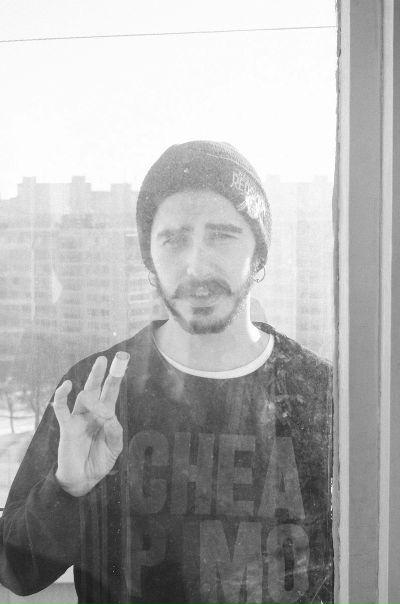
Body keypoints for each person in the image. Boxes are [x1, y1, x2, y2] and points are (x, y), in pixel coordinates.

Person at [0, 141, 333, 603]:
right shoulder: (96, 391)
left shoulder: (319, 394)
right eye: (174, 239)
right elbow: (16, 572)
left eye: (222, 235)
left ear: (259, 252)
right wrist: (66, 489)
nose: (196, 265)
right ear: (149, 259)